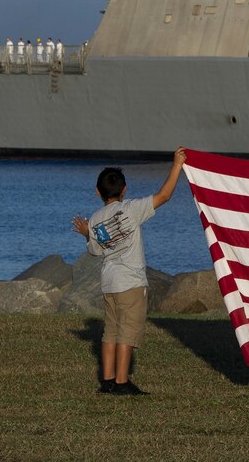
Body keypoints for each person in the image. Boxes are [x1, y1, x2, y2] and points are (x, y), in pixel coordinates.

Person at [71, 148, 187, 395]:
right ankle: (123, 383)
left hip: (109, 282)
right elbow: (164, 196)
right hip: (131, 282)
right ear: (125, 190)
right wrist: (177, 164)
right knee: (127, 331)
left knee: (110, 330)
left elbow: (96, 251)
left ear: (97, 192)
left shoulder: (96, 218)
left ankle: (108, 380)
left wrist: (86, 234)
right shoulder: (132, 209)